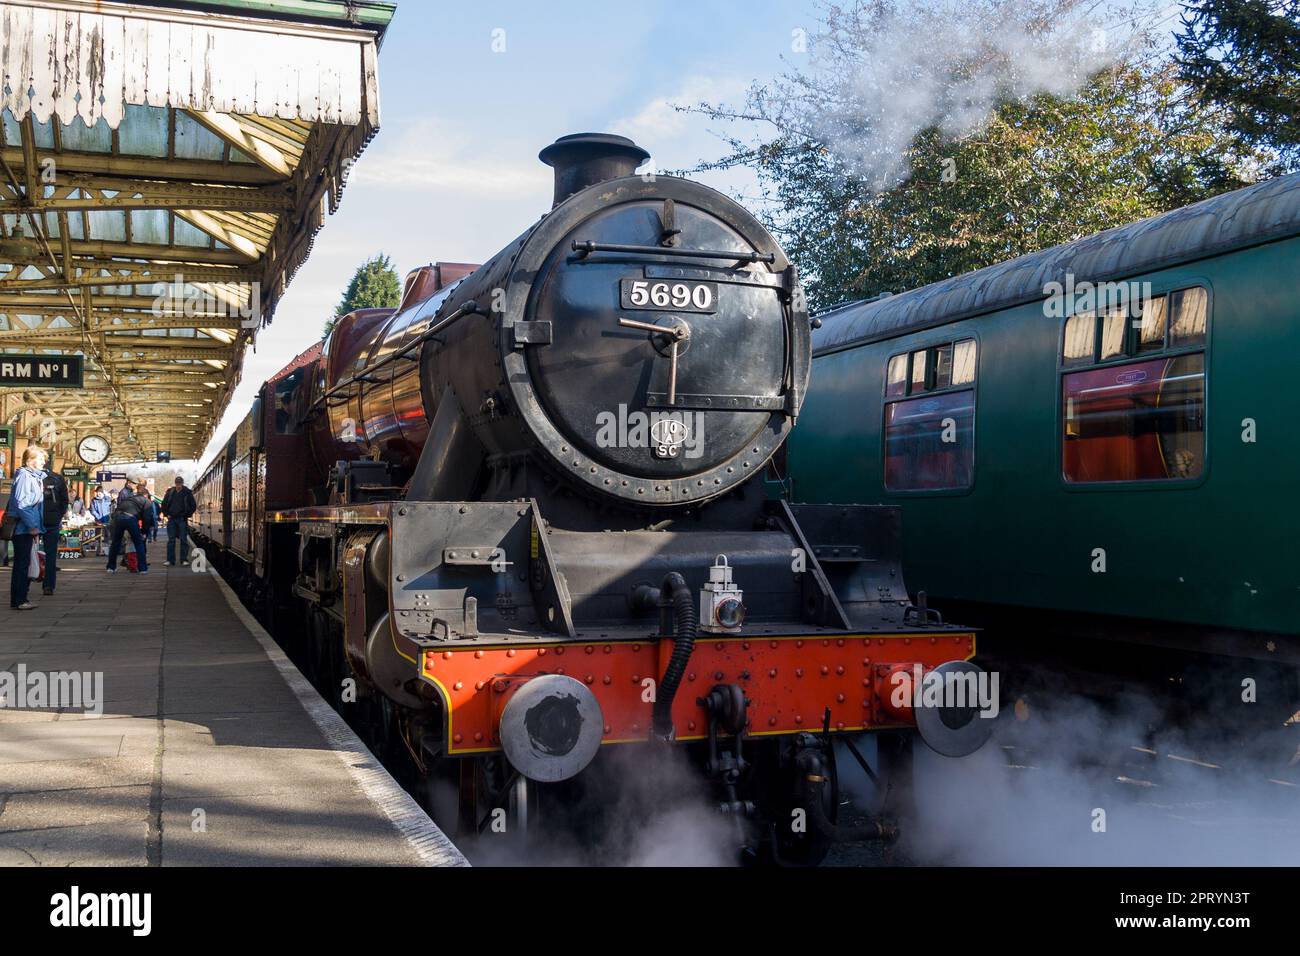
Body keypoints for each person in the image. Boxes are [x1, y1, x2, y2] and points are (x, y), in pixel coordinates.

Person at [8, 445, 47, 610]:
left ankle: (20, 598)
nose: (44, 462)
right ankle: (19, 600)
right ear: (30, 460)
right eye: (40, 459)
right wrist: (32, 526)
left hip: (27, 528)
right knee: (22, 564)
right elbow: (23, 504)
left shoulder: (34, 477)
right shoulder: (25, 476)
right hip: (22, 528)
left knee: (24, 563)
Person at [105, 478, 153, 575]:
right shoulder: (146, 501)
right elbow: (147, 519)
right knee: (139, 543)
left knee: (115, 543)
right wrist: (144, 532)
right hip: (130, 518)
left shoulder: (130, 498)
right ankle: (143, 568)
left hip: (117, 518)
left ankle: (111, 567)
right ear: (146, 495)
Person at [39, 464, 69, 597]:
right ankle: (48, 585)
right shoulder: (58, 478)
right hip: (52, 520)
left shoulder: (33, 477)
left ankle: (26, 583)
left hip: (34, 518)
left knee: (28, 553)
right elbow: (65, 500)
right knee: (51, 553)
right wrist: (58, 515)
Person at [161, 475, 196, 566]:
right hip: (171, 518)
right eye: (177, 483)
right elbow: (164, 504)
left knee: (183, 540)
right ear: (175, 483)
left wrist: (187, 514)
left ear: (182, 483)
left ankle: (184, 559)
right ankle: (170, 560)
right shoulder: (170, 492)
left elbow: (193, 505)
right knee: (171, 540)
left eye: (179, 483)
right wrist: (166, 514)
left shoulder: (187, 492)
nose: (178, 485)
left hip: (182, 519)